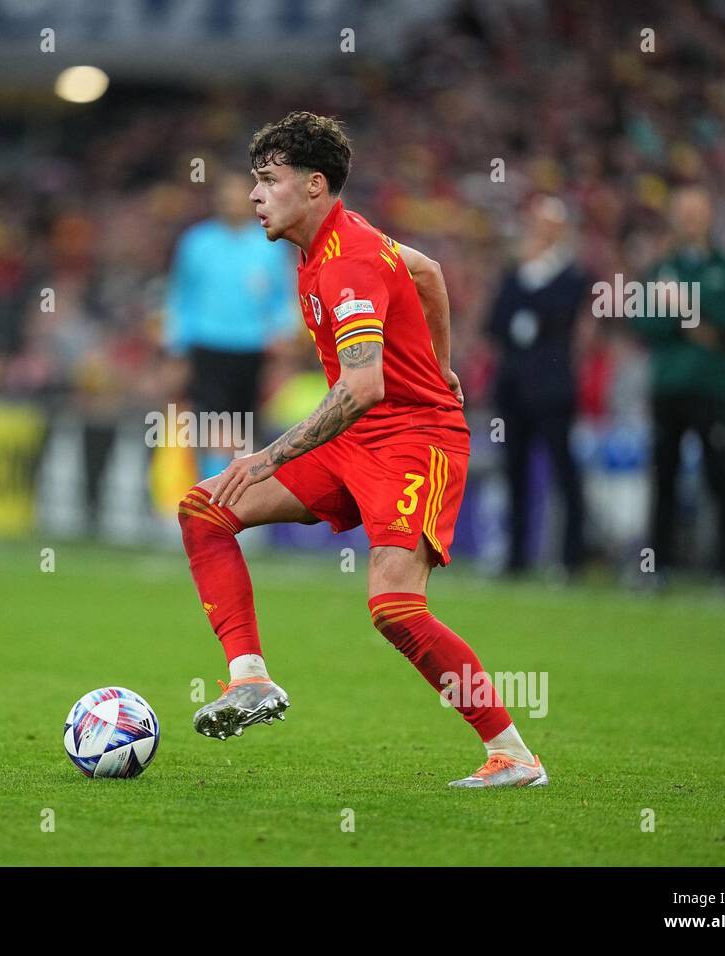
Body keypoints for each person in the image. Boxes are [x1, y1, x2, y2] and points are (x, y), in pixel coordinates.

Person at [176, 112, 547, 789]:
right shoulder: (336, 242)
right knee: (205, 509)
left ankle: (513, 754)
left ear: (313, 186)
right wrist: (443, 360)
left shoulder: (345, 262)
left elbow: (364, 384)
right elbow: (429, 272)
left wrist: (267, 457)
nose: (255, 195)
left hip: (414, 440)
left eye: (268, 181)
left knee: (395, 609)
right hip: (357, 440)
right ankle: (250, 679)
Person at [633, 186, 725, 583]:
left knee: (720, 476)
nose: (689, 220)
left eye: (696, 212)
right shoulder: (661, 268)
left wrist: (681, 307)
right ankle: (657, 568)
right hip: (667, 388)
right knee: (663, 477)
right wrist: (696, 323)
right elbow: (645, 323)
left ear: (710, 216)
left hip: (711, 387)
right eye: (683, 212)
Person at [164, 170, 299, 478]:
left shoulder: (269, 244)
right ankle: (212, 496)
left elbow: (282, 299)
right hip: (209, 344)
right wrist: (176, 346)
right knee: (214, 423)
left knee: (244, 425)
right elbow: (180, 296)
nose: (231, 201)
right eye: (225, 195)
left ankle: (235, 499)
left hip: (253, 348)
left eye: (238, 194)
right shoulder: (196, 242)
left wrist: (284, 337)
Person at [487, 196, 589, 574]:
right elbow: (496, 322)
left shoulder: (571, 274)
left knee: (564, 470)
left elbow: (559, 317)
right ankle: (516, 557)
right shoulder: (518, 273)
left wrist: (528, 308)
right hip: (515, 387)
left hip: (552, 388)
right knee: (515, 472)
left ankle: (571, 557)